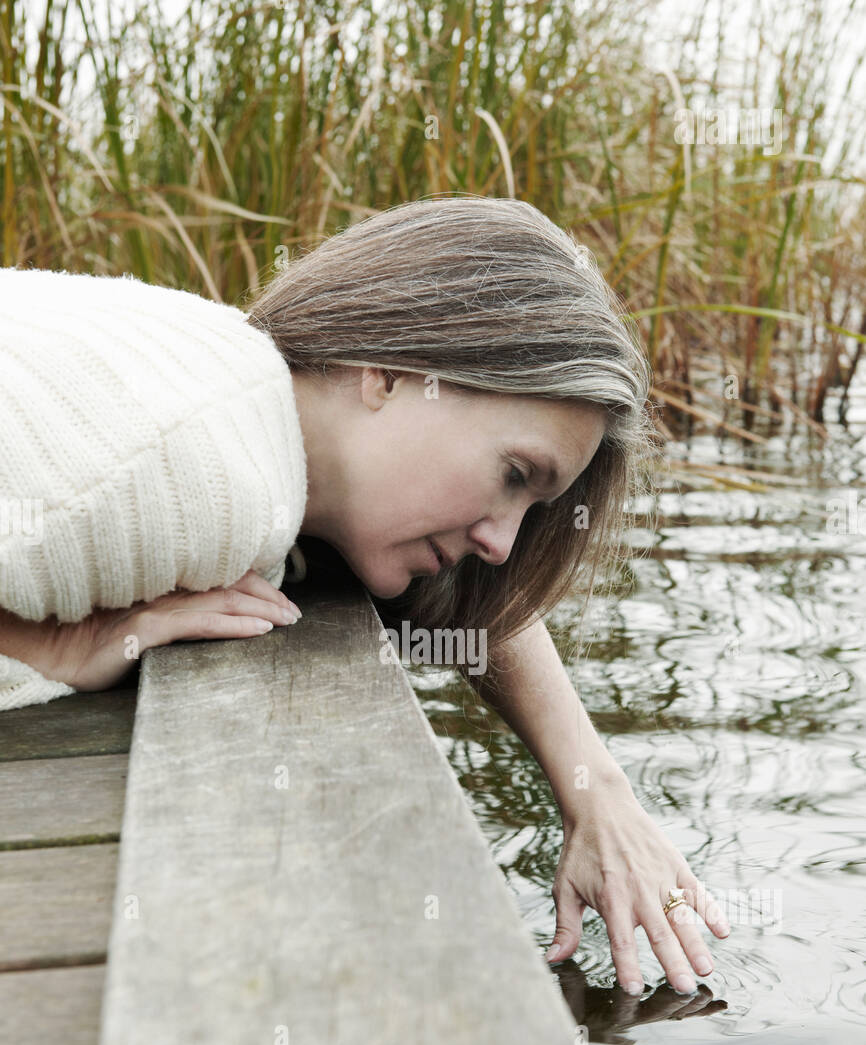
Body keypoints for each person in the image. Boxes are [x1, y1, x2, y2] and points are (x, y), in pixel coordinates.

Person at [0, 193, 730, 994]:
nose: (500, 543)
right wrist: (44, 651)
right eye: (514, 476)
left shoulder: (242, 396)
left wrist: (600, 795)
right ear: (387, 372)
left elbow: (481, 615)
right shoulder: (210, 476)